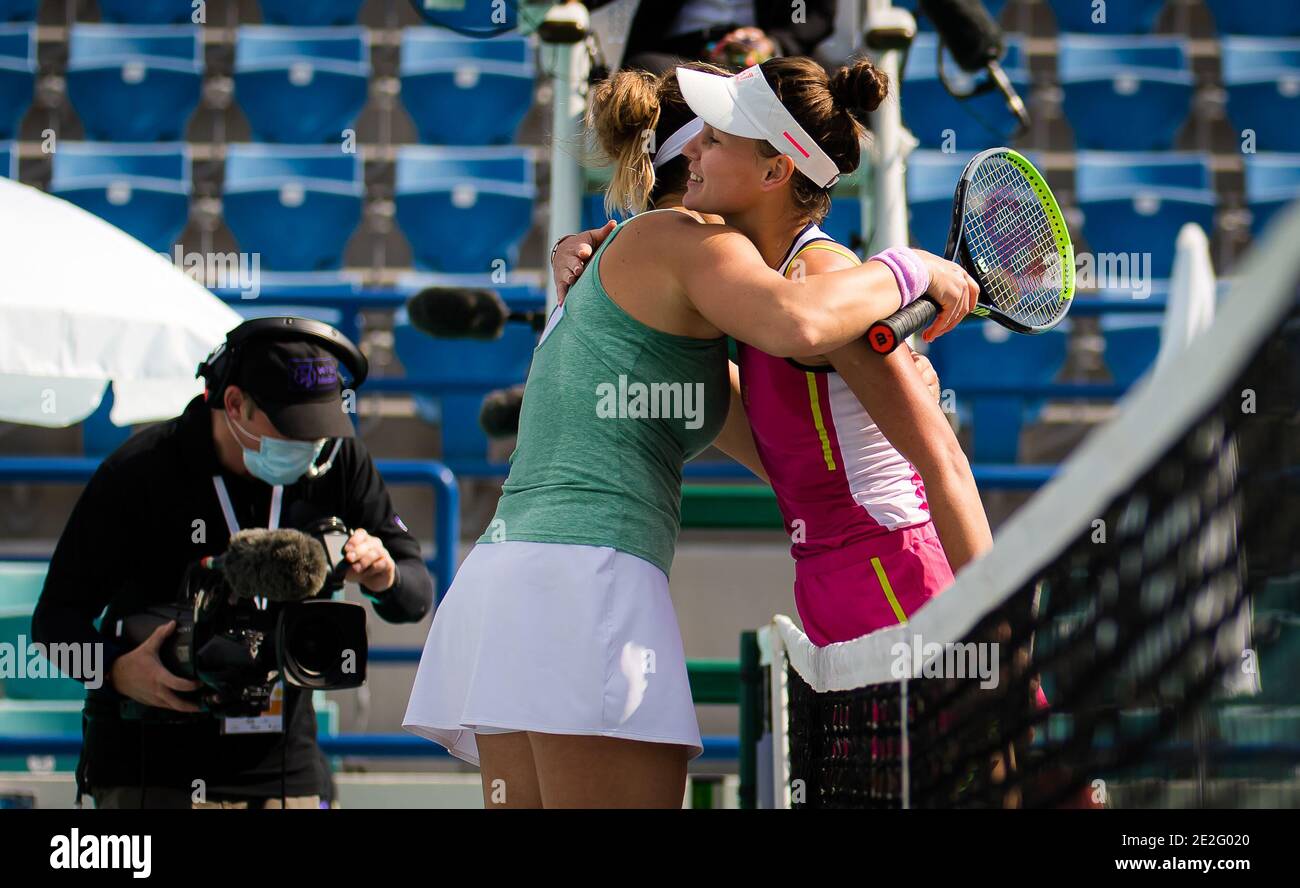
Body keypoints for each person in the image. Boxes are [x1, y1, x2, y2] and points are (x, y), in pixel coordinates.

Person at [403, 58, 977, 808]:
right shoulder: (690, 247)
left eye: (720, 135)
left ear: (773, 167)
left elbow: (814, 454)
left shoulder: (660, 286)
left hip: (516, 582)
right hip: (586, 584)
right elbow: (796, 320)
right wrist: (909, 268)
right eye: (700, 136)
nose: (704, 149)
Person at [554, 60, 993, 646]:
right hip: (830, 575)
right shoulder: (759, 289)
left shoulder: (822, 273)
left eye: (713, 140)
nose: (692, 154)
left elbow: (945, 464)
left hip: (893, 569)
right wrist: (592, 248)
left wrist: (997, 635)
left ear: (774, 170)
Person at [31, 318, 433, 809]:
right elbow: (53, 624)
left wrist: (384, 574)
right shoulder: (141, 470)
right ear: (236, 403)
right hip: (150, 771)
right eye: (291, 427)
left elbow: (415, 595)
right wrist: (115, 670)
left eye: (320, 429)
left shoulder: (338, 460)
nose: (308, 446)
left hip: (287, 771)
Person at [586, 0, 837, 73]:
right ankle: (668, 198)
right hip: (678, 54)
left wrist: (773, 43)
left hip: (764, 56)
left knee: (822, 83)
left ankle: (803, 198)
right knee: (645, 73)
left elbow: (815, 12)